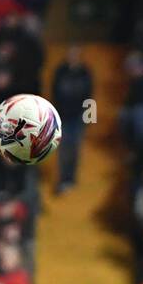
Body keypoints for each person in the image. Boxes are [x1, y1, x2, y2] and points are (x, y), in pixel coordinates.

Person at [51, 46, 93, 192]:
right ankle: (63, 179)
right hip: (62, 116)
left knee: (75, 148)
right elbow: (54, 94)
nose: (73, 57)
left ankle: (71, 178)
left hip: (78, 117)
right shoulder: (60, 71)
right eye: (71, 54)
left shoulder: (85, 72)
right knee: (63, 149)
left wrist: (89, 118)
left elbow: (90, 95)